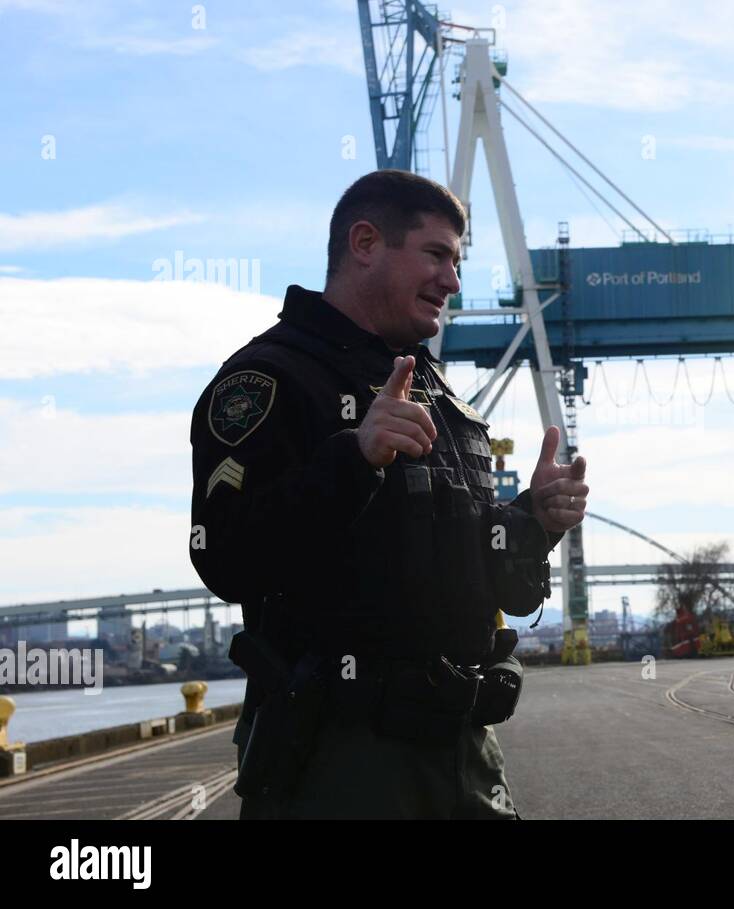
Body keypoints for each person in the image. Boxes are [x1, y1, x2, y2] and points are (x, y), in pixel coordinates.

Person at [189, 168, 589, 819]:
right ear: (366, 243)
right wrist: (352, 459)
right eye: (436, 255)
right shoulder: (268, 380)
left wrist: (533, 522)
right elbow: (224, 554)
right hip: (341, 769)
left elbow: (473, 573)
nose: (453, 281)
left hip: (465, 757)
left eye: (457, 261)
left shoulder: (439, 393)